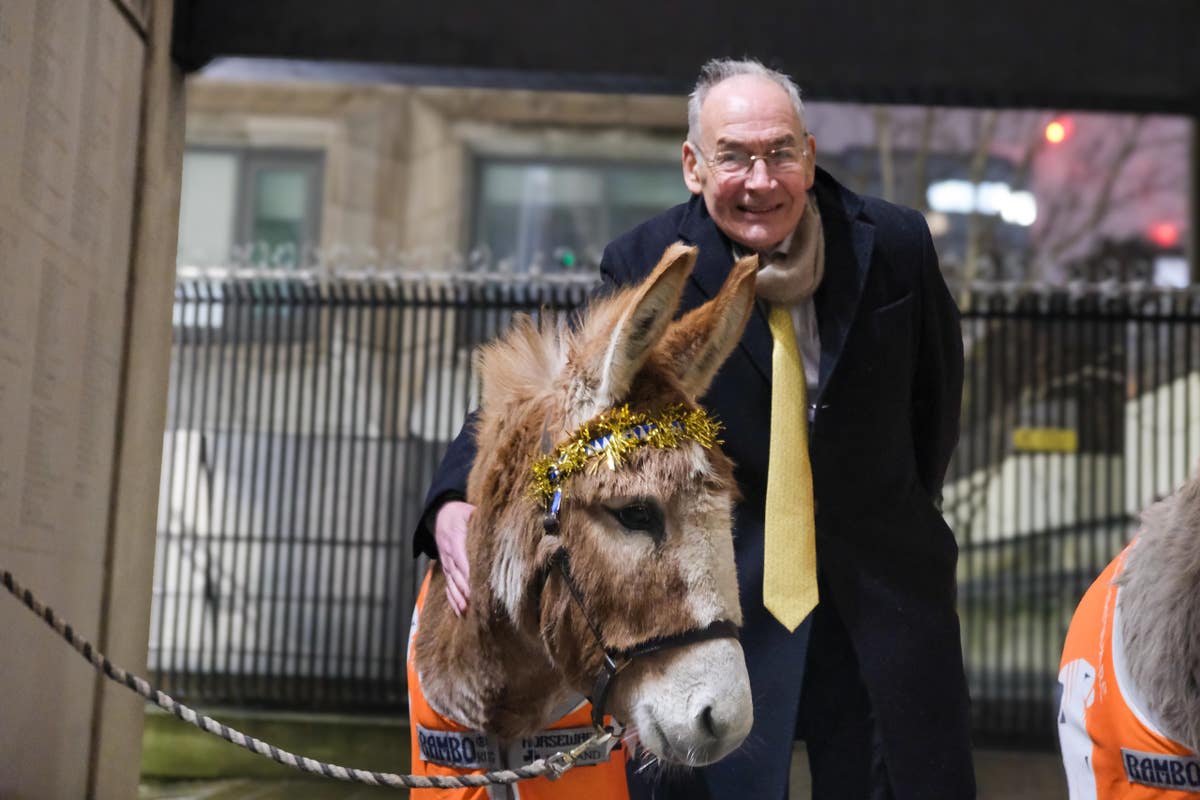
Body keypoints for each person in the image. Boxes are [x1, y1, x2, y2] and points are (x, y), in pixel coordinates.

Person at [414, 58, 974, 799]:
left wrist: (889, 516)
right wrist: (453, 495)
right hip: (715, 612)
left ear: (808, 155)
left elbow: (935, 407)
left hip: (881, 607)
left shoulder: (896, 245)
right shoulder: (648, 264)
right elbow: (556, 396)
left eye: (779, 152)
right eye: (734, 156)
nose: (760, 178)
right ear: (693, 166)